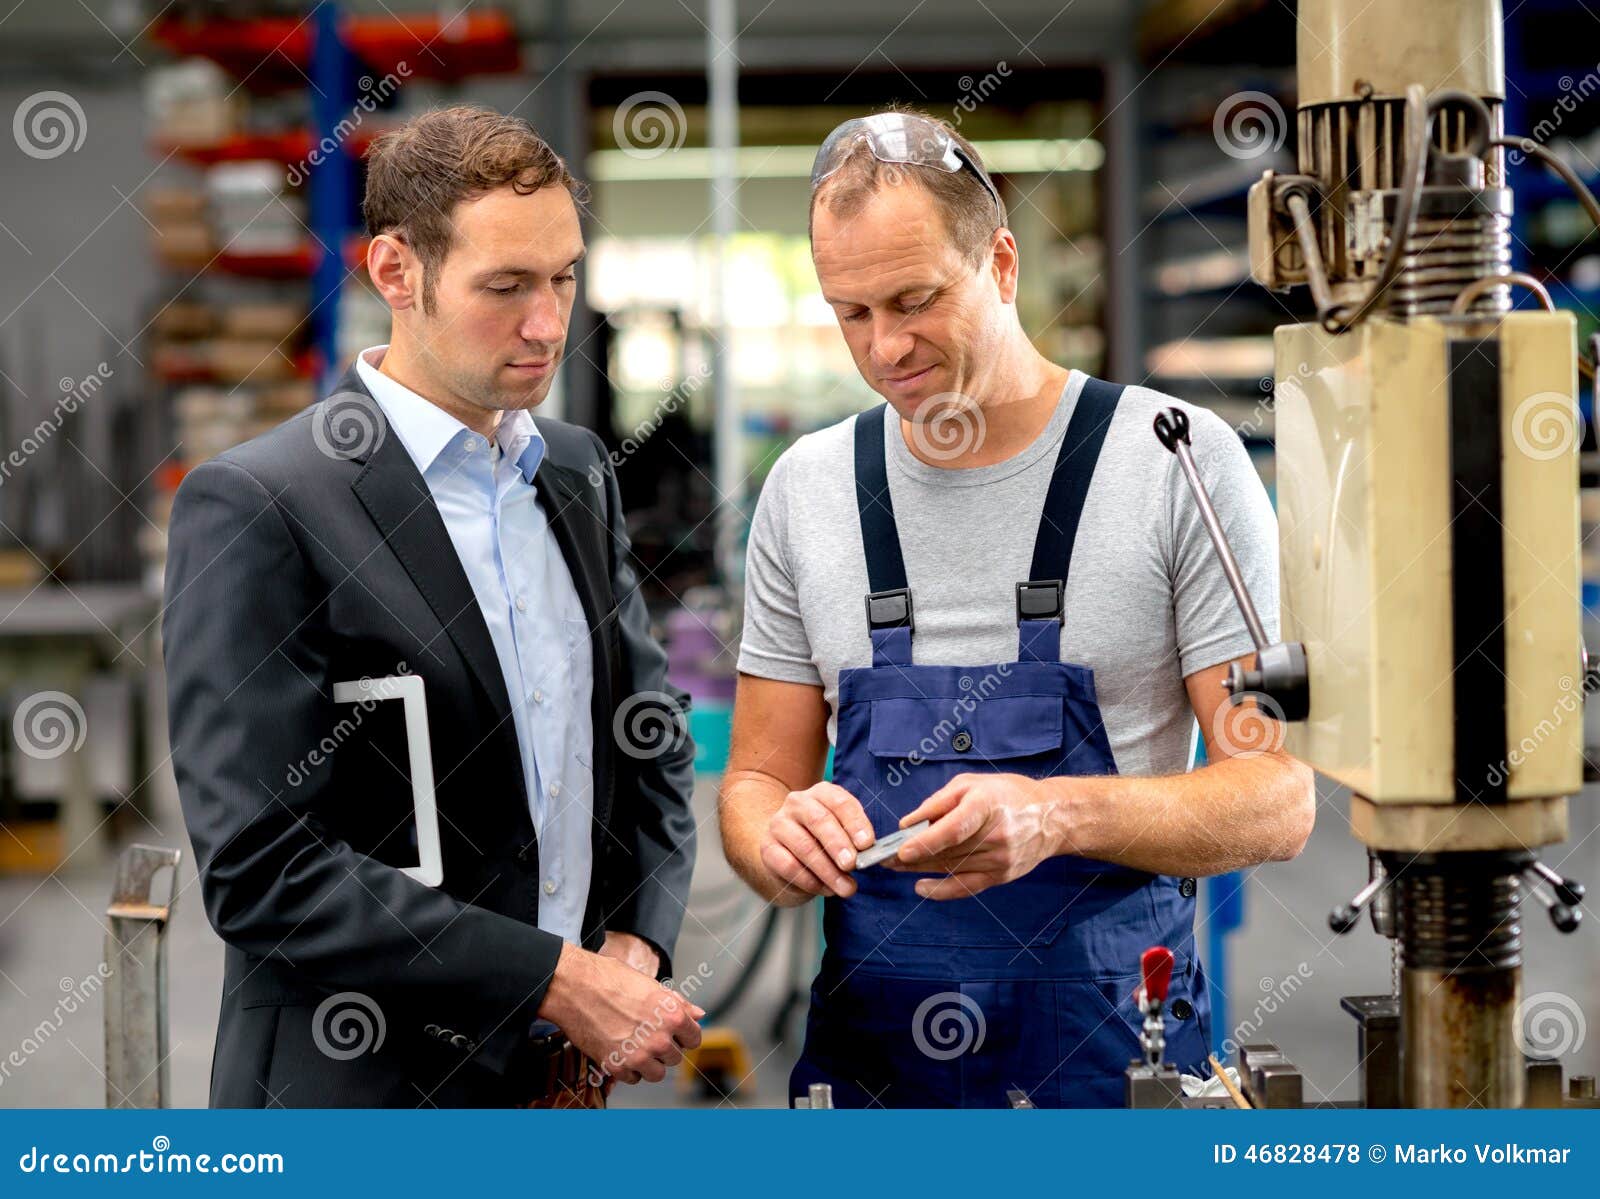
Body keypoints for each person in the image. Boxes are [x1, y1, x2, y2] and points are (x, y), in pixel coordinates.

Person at [718, 110, 1315, 1108]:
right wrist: (774, 836)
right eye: (850, 312)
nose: (886, 346)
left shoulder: (1179, 462)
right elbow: (754, 782)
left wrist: (1054, 813)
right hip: (875, 1076)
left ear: (1000, 263)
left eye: (914, 300)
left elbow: (1280, 796)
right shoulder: (806, 489)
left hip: (1112, 1068)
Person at [163, 106, 701, 1108]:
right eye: (506, 286)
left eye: (563, 277)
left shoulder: (574, 473)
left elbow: (650, 736)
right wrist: (555, 977)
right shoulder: (263, 505)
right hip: (363, 1089)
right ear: (396, 272)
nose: (548, 324)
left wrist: (636, 937)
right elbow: (261, 867)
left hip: (556, 1086)